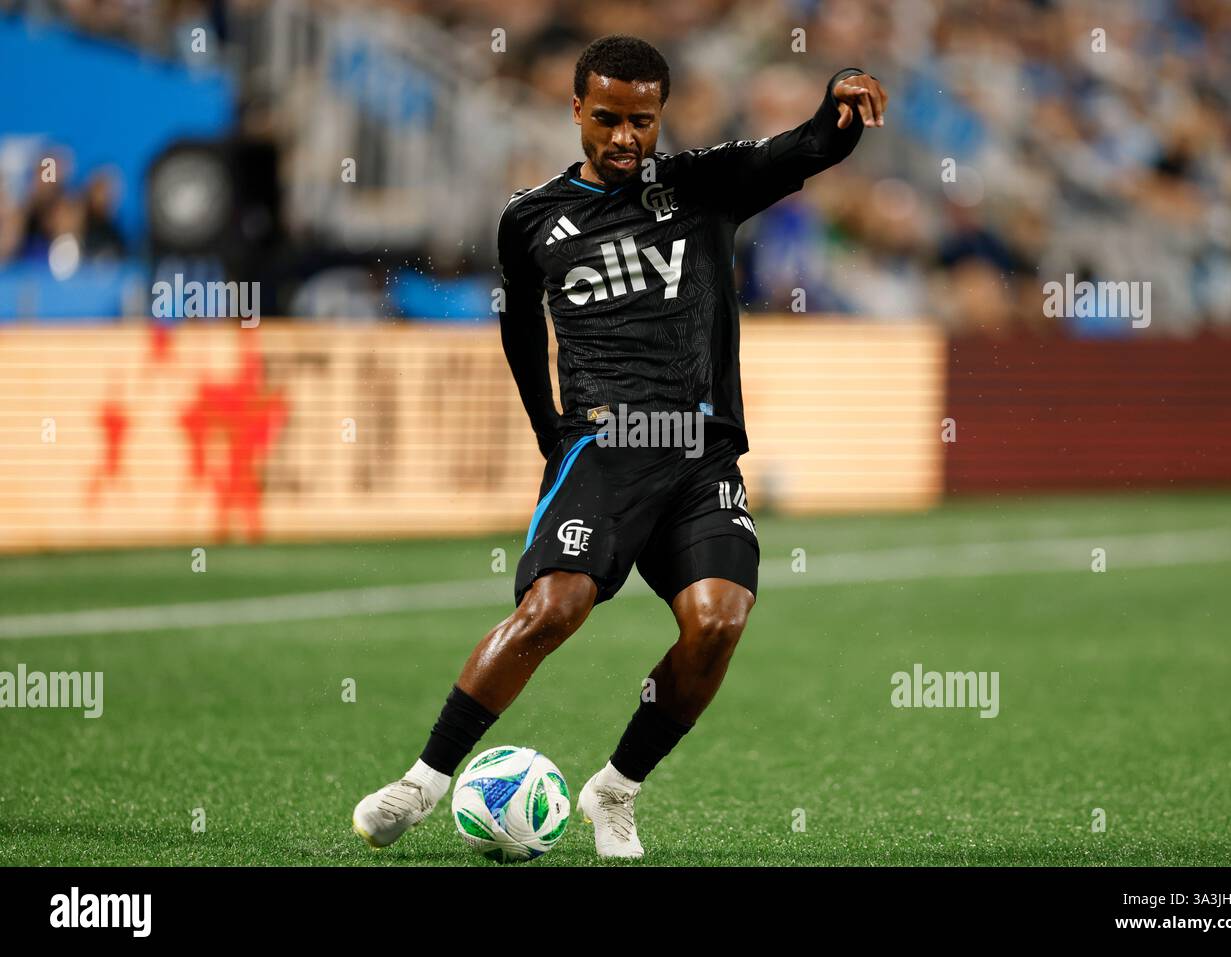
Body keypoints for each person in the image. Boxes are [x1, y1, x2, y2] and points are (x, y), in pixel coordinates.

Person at [353, 34, 886, 859]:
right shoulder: (529, 219)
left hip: (700, 450)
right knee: (553, 608)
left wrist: (839, 106)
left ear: (660, 115)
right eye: (607, 119)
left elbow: (804, 148)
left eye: (642, 120)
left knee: (719, 619)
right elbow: (521, 332)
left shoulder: (699, 186)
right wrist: (551, 436)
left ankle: (614, 789)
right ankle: (422, 782)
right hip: (602, 447)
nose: (626, 138)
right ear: (576, 110)